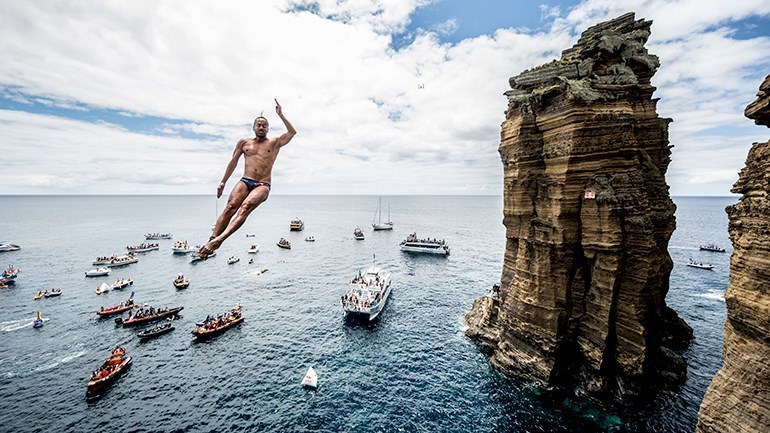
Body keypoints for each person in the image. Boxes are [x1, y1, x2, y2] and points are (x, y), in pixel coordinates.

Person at [198, 99, 296, 259]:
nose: (262, 127)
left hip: (263, 184)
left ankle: (219, 241)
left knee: (245, 207)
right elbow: (233, 162)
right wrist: (223, 182)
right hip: (245, 180)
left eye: (265, 125)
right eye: (259, 124)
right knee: (230, 207)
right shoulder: (244, 143)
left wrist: (281, 115)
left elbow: (292, 132)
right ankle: (211, 241)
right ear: (254, 127)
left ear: (268, 128)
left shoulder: (275, 142)